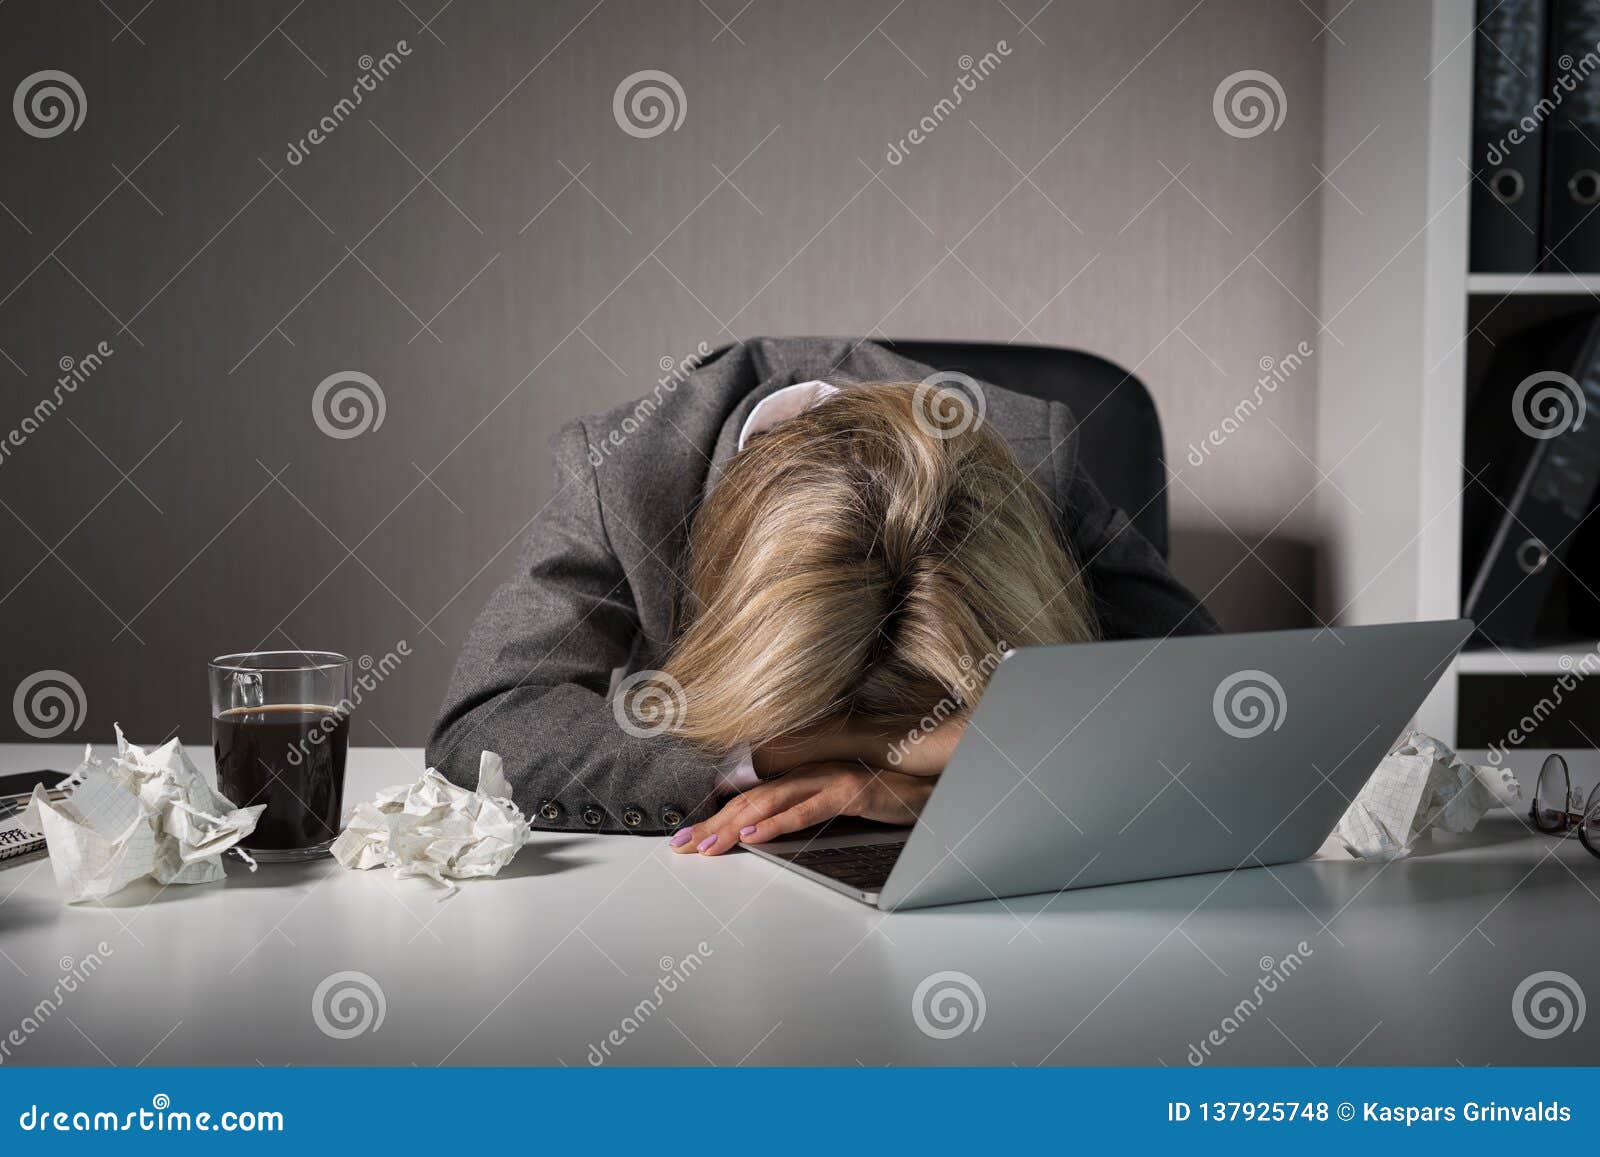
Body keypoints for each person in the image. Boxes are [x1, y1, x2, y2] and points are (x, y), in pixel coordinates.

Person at [427, 338, 1216, 856]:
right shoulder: (626, 471)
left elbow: (1222, 699)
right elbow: (487, 725)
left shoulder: (1032, 454)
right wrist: (809, 750)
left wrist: (943, 786)